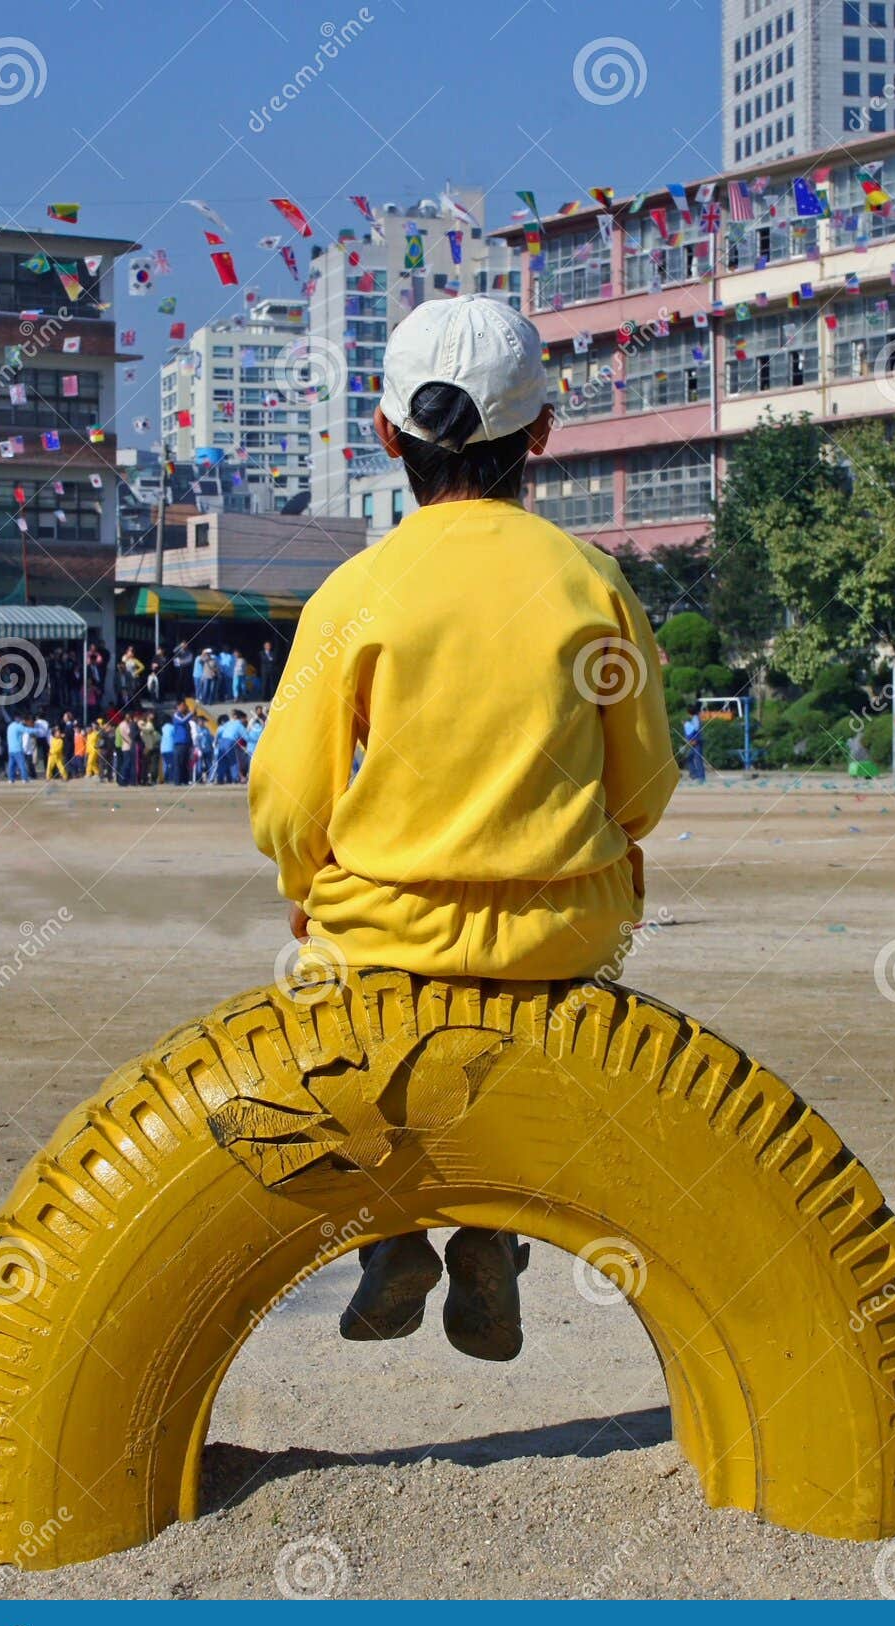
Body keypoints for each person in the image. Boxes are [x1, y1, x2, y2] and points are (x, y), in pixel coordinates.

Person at [249, 295, 676, 1362]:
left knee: (344, 1057)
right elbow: (647, 785)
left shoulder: (358, 589)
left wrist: (309, 884)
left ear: (386, 435)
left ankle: (393, 1233)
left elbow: (290, 801)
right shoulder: (593, 583)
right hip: (560, 932)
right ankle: (494, 1230)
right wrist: (611, 841)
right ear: (541, 435)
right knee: (526, 1036)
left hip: (382, 936)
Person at [682, 702, 706, 782]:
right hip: (694, 741)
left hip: (697, 741)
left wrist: (694, 739)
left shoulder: (695, 718)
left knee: (697, 759)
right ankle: (694, 775)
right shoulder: (694, 718)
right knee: (689, 758)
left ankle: (701, 777)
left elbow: (696, 730)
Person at [171, 702, 193, 785]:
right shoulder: (176, 715)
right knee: (178, 763)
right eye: (183, 706)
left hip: (186, 743)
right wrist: (191, 714)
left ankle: (185, 780)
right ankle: (177, 781)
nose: (185, 707)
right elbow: (182, 721)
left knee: (185, 763)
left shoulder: (185, 717)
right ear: (178, 706)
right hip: (179, 743)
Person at [6, 714, 31, 782]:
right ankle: (24, 778)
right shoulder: (20, 727)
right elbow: (26, 737)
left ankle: (11, 779)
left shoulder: (10, 726)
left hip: (11, 749)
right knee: (22, 764)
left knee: (11, 765)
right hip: (18, 749)